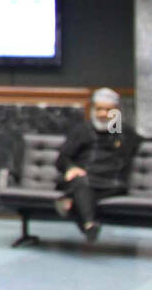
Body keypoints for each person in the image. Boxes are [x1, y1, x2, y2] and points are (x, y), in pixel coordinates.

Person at [54, 87, 142, 242]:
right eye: (99, 109)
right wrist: (70, 168)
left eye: (108, 110)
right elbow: (62, 158)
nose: (102, 114)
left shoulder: (125, 133)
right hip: (82, 179)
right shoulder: (81, 130)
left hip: (111, 184)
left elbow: (147, 142)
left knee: (79, 189)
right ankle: (89, 224)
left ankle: (70, 202)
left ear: (117, 111)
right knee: (82, 182)